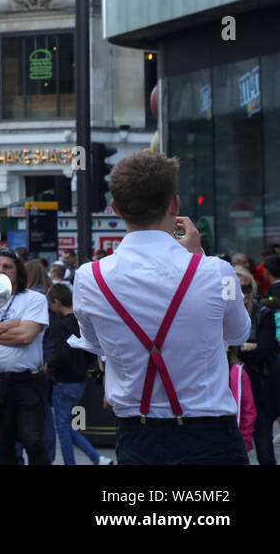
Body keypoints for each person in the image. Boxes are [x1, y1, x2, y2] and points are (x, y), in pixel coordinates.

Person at [72, 151, 251, 464]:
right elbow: (238, 332)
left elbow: (97, 344)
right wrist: (199, 260)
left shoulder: (89, 278)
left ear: (115, 208)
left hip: (136, 436)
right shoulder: (216, 272)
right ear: (175, 205)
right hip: (208, 435)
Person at [0, 249, 50, 465]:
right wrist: (9, 325)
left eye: (7, 266)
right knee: (0, 445)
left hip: (24, 383)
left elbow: (26, 336)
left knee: (33, 441)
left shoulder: (34, 299)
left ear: (18, 270)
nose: (1, 271)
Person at [45, 282, 110, 465]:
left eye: (51, 303)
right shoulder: (82, 322)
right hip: (80, 380)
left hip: (64, 381)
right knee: (65, 425)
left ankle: (81, 460)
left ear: (56, 302)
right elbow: (91, 351)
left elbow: (62, 355)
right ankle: (96, 457)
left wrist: (49, 365)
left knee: (62, 428)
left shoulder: (61, 325)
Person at [237, 268, 279, 464]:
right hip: (233, 390)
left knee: (264, 445)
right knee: (236, 447)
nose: (241, 293)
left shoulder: (263, 314)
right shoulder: (220, 313)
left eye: (245, 288)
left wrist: (238, 349)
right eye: (236, 288)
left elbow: (263, 349)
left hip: (259, 387)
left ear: (252, 289)